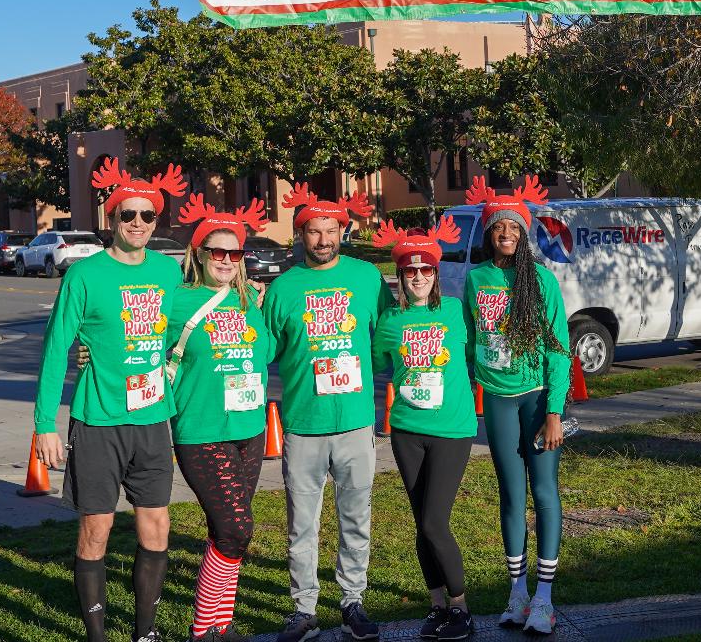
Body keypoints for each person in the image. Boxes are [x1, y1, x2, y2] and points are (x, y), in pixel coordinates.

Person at [35, 159, 189, 642]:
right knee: (95, 531)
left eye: (147, 216)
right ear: (113, 219)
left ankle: (145, 632)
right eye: (129, 215)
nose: (138, 224)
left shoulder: (169, 272)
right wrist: (44, 424)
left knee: (157, 527)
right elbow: (57, 348)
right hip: (98, 422)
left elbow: (198, 322)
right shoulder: (84, 276)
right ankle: (98, 636)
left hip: (152, 420)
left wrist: (251, 297)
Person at [265, 183, 386, 642]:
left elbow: (388, 334)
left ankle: (353, 600)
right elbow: (264, 348)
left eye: (330, 230)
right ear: (301, 235)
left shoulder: (367, 278)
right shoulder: (284, 288)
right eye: (313, 232)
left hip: (355, 421)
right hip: (303, 424)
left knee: (356, 516)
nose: (322, 240)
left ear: (342, 230)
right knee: (302, 523)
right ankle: (304, 608)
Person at [461, 176, 570, 636]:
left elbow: (558, 348)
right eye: (498, 226)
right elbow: (468, 343)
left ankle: (544, 598)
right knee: (510, 494)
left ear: (524, 233)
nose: (505, 232)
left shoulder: (542, 280)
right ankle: (518, 593)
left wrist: (554, 412)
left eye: (513, 226)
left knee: (543, 492)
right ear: (489, 232)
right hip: (498, 402)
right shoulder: (475, 279)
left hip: (537, 401)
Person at [168, 192, 276, 642]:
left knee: (223, 529)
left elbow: (266, 351)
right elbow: (130, 339)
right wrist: (88, 352)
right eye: (218, 251)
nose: (227, 260)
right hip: (200, 428)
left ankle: (219, 625)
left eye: (235, 252)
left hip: (249, 429)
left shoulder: (251, 299)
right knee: (237, 528)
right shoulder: (175, 299)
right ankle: (201, 629)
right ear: (199, 253)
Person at [373, 217, 477, 641]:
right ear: (400, 276)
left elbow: (481, 348)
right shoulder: (390, 323)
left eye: (426, 270)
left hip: (452, 429)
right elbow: (382, 364)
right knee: (421, 522)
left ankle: (461, 608)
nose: (418, 277)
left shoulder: (454, 311)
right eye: (410, 271)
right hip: (406, 431)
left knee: (435, 522)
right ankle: (436, 606)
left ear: (436, 274)